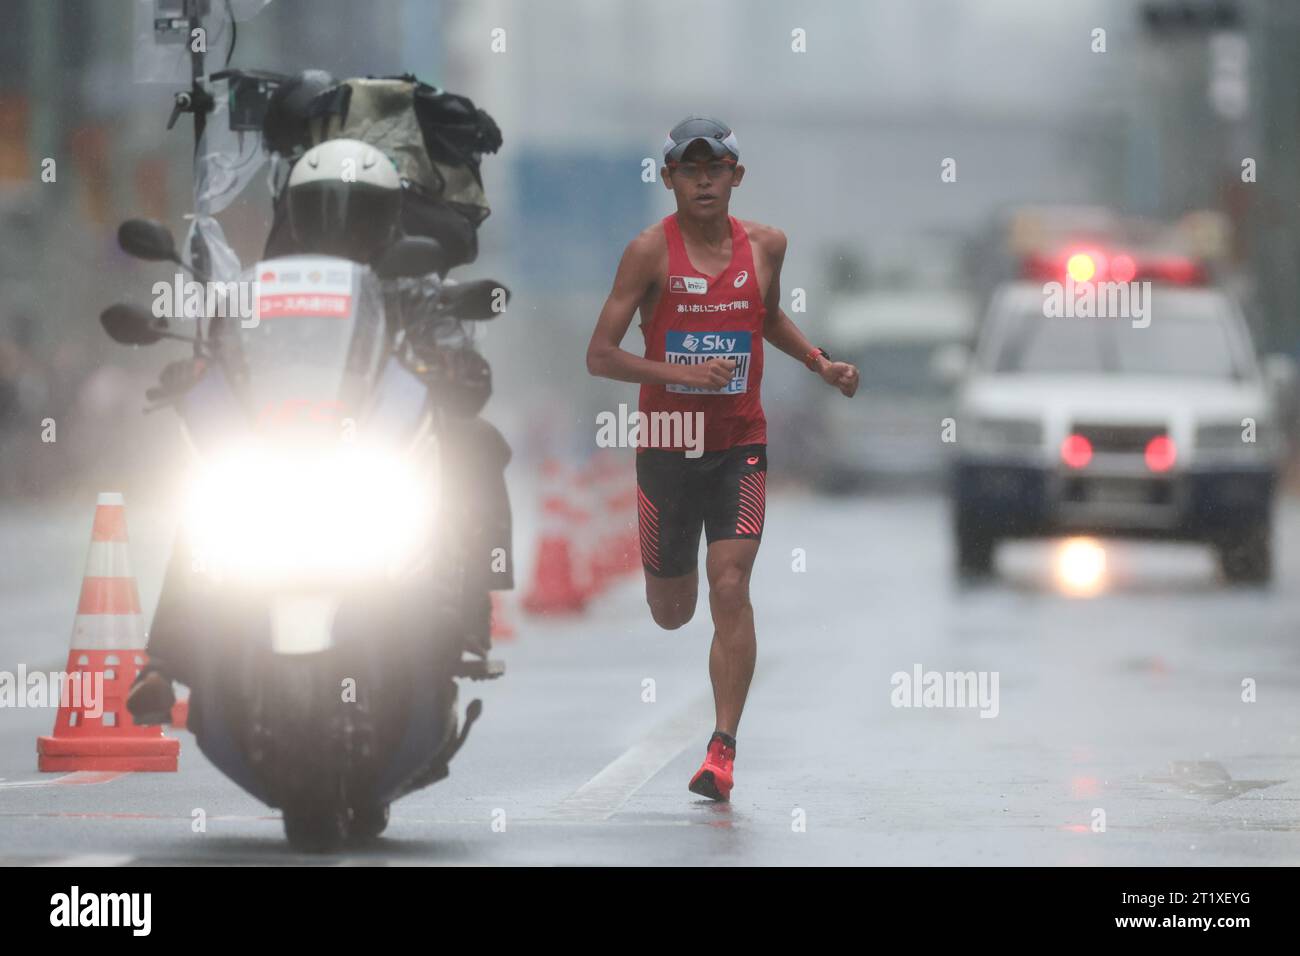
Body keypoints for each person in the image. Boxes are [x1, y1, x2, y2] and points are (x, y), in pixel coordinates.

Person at [585, 116, 859, 801]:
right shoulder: (648, 252)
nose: (703, 180)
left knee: (730, 585)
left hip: (741, 443)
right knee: (672, 611)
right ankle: (671, 600)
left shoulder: (767, 245)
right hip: (669, 446)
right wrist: (675, 370)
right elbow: (599, 354)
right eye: (689, 168)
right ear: (668, 178)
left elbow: (766, 316)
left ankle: (723, 749)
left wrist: (819, 361)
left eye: (716, 168)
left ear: (736, 177)